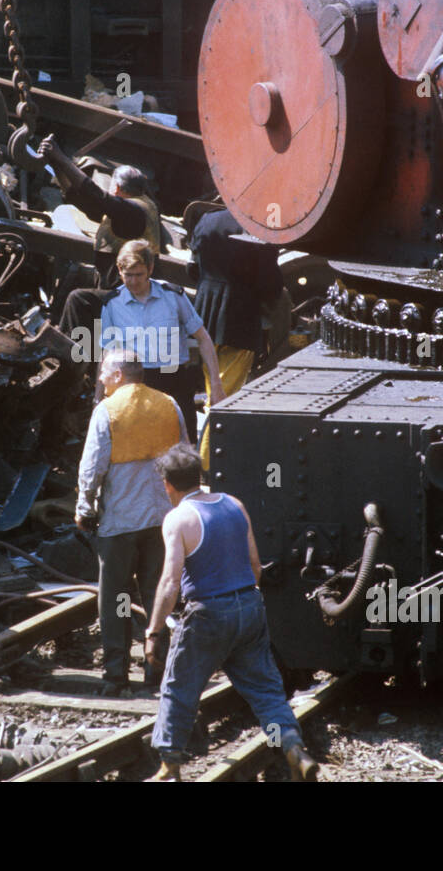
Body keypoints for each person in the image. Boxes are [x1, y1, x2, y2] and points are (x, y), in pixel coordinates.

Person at [144, 443, 317, 782]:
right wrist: (242, 603)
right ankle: (294, 747)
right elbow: (255, 567)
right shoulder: (234, 505)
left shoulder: (178, 519)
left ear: (168, 484)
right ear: (199, 475)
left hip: (208, 613)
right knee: (266, 690)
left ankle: (169, 767)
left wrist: (153, 632)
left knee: (179, 689)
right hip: (249, 607)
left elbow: (169, 582)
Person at [76, 349, 187, 694]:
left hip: (120, 524)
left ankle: (115, 674)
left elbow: (92, 467)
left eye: (105, 374)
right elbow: (184, 457)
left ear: (119, 375)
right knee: (159, 595)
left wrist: (84, 507)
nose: (101, 380)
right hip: (162, 522)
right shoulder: (169, 404)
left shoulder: (106, 412)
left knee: (115, 599)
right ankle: (158, 670)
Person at [100, 239, 224, 442]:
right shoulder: (112, 304)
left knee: (183, 451)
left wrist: (216, 385)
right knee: (141, 450)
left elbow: (203, 338)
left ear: (150, 269)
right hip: (135, 384)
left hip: (174, 381)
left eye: (138, 275)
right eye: (127, 275)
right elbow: (106, 354)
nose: (133, 282)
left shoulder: (172, 296)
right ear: (119, 271)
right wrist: (101, 397)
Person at [39, 136, 162, 339]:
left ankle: (68, 355)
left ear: (116, 188)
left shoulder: (133, 212)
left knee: (78, 299)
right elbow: (84, 201)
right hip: (117, 288)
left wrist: (62, 159)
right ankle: (82, 355)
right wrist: (56, 165)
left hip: (130, 296)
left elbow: (96, 194)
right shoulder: (129, 206)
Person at [189, 209, 283, 468]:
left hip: (205, 316)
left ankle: (209, 461)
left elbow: (192, 267)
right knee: (224, 397)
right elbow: (270, 284)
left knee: (213, 390)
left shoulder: (207, 219)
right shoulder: (259, 227)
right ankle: (208, 468)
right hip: (239, 319)